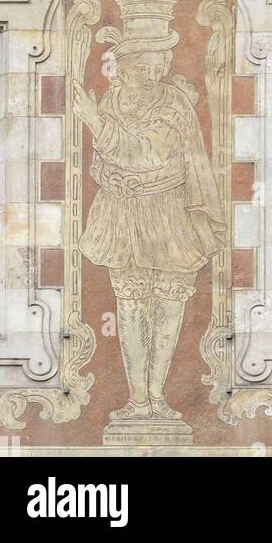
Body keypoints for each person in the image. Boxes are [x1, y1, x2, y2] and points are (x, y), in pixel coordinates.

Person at [74, 31, 224, 423]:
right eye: (145, 67)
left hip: (168, 211)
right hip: (121, 212)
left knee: (169, 304)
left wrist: (94, 122)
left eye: (160, 66)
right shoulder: (113, 101)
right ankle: (137, 399)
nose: (154, 74)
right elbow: (101, 162)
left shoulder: (171, 103)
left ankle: (157, 397)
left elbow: (144, 152)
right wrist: (112, 174)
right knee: (130, 304)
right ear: (123, 69)